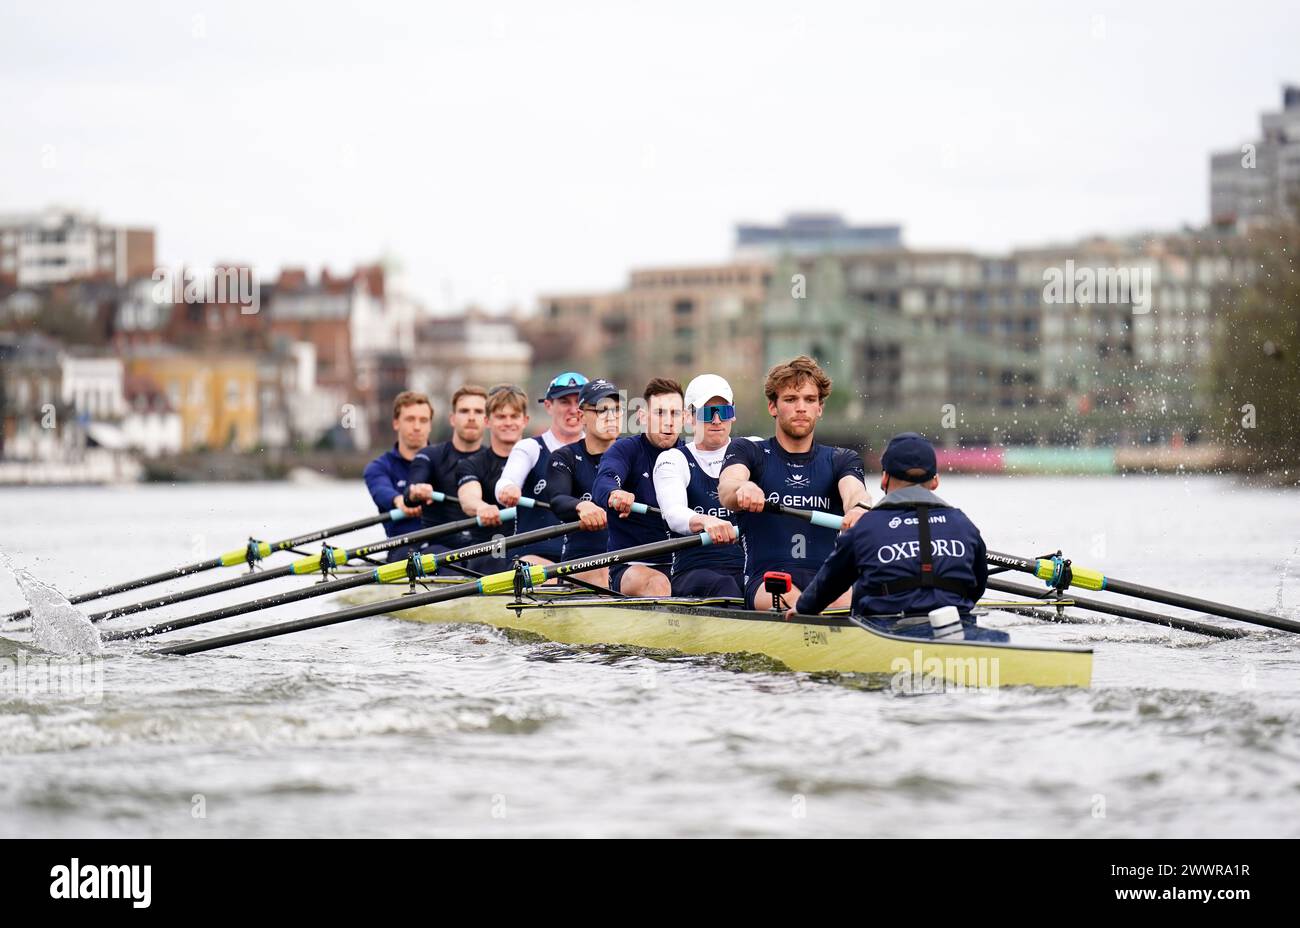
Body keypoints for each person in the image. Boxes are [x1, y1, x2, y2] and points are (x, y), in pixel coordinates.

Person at [788, 432, 1004, 641]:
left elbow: (829, 584)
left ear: (884, 479)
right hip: (958, 629)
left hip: (882, 634)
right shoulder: (963, 524)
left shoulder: (865, 529)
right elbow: (977, 587)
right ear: (935, 481)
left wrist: (802, 608)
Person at [718, 356, 872, 610]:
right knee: (796, 601)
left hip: (827, 580)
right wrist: (743, 489)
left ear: (819, 408)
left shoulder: (842, 459)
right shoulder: (748, 451)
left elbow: (855, 493)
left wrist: (858, 509)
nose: (801, 407)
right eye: (790, 399)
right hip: (769, 581)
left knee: (848, 598)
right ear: (773, 407)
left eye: (810, 400)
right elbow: (727, 488)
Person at [652, 374, 743, 599]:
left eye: (723, 412)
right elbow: (673, 513)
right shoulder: (673, 459)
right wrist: (705, 520)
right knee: (726, 587)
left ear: (733, 414)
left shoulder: (753, 451)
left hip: (747, 567)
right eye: (706, 413)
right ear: (689, 417)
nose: (716, 421)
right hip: (694, 569)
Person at [591, 378, 685, 597]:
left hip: (682, 566)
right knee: (659, 584)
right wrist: (615, 493)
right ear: (643, 417)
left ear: (685, 418)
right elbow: (603, 481)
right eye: (660, 413)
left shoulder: (690, 454)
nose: (668, 422)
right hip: (632, 565)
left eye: (675, 414)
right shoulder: (625, 451)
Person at [495, 371, 587, 565]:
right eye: (564, 402)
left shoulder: (606, 452)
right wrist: (507, 489)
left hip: (586, 560)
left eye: (579, 402)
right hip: (534, 558)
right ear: (548, 406)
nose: (573, 409)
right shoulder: (529, 448)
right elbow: (507, 481)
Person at [546, 379, 623, 588]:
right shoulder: (564, 457)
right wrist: (581, 505)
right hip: (583, 561)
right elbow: (558, 500)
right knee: (601, 576)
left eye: (617, 410)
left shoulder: (634, 453)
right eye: (602, 410)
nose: (611, 418)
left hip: (629, 560)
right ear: (581, 416)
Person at [455, 383, 530, 573]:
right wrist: (482, 507)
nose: (508, 422)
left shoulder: (541, 460)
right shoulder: (471, 464)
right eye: (501, 416)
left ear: (525, 420)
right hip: (491, 547)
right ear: (487, 421)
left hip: (531, 547)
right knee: (497, 563)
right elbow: (468, 497)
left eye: (514, 416)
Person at [406, 384, 488, 555]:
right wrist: (416, 491)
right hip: (439, 550)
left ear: (487, 420)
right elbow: (410, 491)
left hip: (482, 549)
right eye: (464, 411)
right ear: (452, 418)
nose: (471, 417)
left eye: (478, 412)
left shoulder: (493, 459)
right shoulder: (430, 455)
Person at [362, 391, 434, 561]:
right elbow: (380, 490)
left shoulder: (444, 461)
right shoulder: (379, 467)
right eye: (410, 419)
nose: (417, 427)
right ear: (396, 423)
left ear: (430, 425)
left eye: (423, 420)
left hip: (444, 546)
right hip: (402, 548)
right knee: (405, 555)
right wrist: (400, 501)